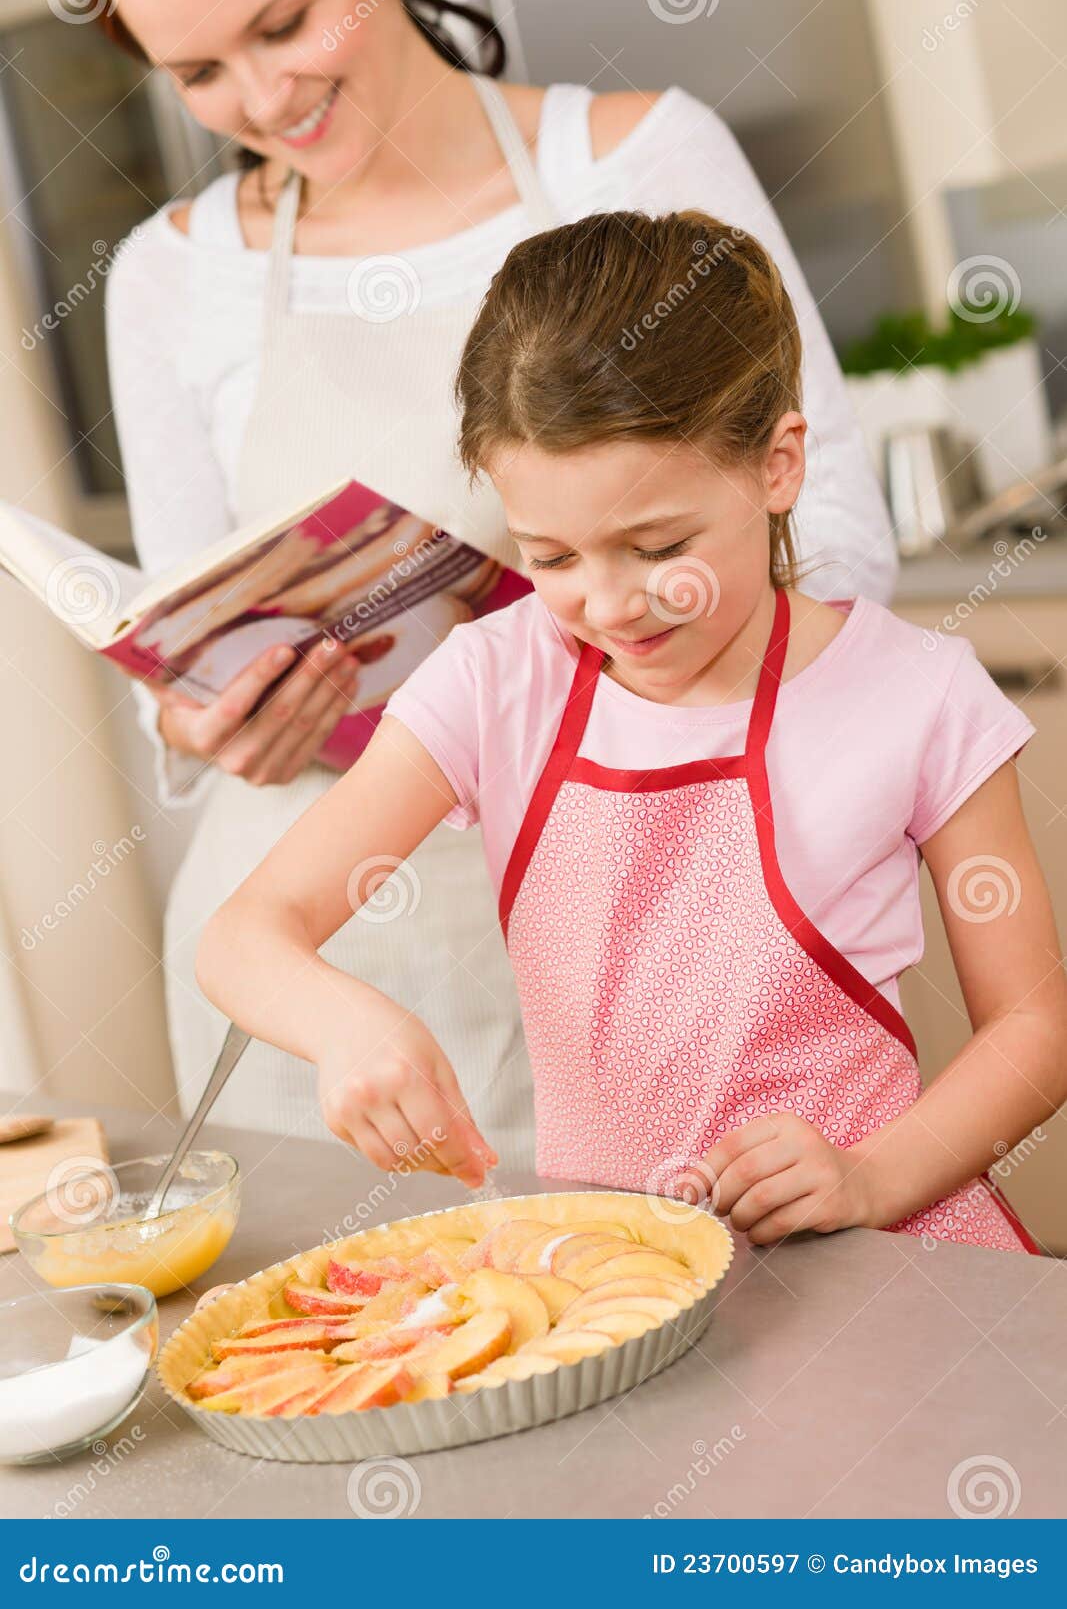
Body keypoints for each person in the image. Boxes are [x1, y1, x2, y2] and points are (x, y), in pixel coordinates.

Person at [99, 0, 898, 1162]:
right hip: (325, 980)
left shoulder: (633, 158)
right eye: (198, 73)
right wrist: (201, 720)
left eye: (284, 25)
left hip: (631, 899)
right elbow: (185, 607)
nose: (260, 99)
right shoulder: (168, 272)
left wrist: (616, 662)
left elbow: (833, 533)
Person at [196, 209, 1067, 1250]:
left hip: (884, 1258)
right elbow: (245, 935)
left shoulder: (917, 695)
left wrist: (872, 1177)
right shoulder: (494, 681)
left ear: (778, 464)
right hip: (622, 1273)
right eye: (552, 558)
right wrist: (347, 1024)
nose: (608, 606)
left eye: (656, 547)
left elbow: (1033, 1026)